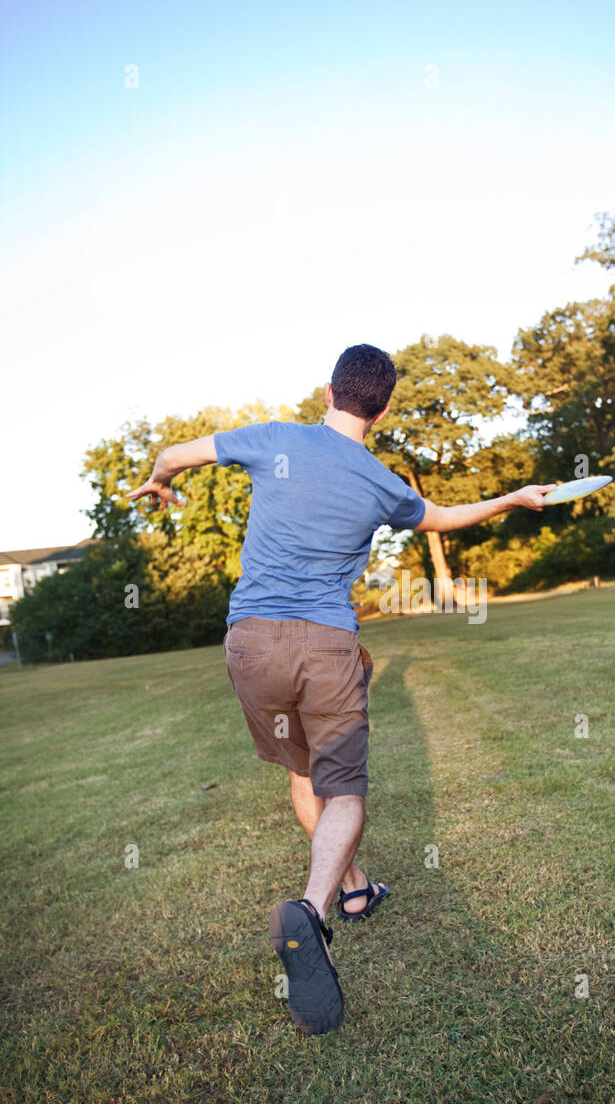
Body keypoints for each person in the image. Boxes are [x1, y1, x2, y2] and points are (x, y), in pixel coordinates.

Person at [130, 344, 554, 1035]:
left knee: (303, 775)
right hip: (324, 643)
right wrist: (512, 497)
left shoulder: (274, 440)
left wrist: (157, 480)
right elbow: (442, 517)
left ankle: (354, 892)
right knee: (345, 790)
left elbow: (176, 455)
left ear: (327, 392)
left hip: (250, 641)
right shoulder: (381, 482)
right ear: (382, 409)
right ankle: (313, 914)